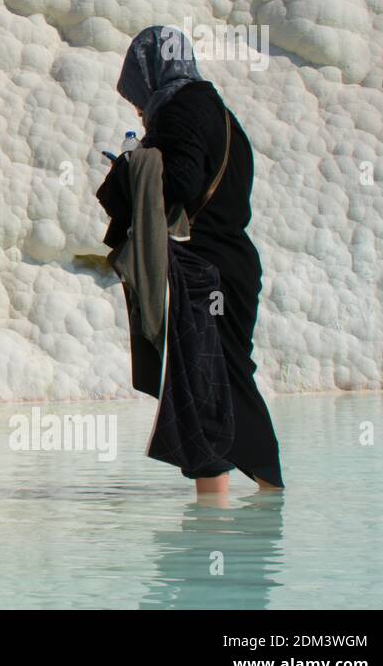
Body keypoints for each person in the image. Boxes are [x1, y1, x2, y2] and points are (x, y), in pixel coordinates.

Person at [100, 26, 284, 495]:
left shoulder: (181, 110)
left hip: (205, 271)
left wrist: (128, 169)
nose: (139, 109)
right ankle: (268, 492)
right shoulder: (222, 115)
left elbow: (178, 181)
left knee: (203, 386)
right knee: (231, 378)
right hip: (236, 264)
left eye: (137, 94)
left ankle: (213, 519)